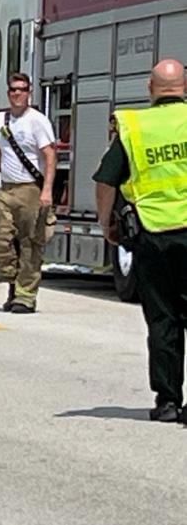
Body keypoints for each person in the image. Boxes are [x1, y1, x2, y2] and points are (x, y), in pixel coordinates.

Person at [93, 58, 187, 423]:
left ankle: (167, 402)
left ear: (150, 89)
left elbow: (105, 179)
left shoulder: (135, 126)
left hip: (154, 234)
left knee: (163, 319)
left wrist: (107, 224)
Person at [0, 72, 57, 313]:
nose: (17, 94)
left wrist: (47, 191)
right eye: (13, 89)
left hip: (31, 189)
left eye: (22, 89)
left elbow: (50, 155)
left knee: (30, 243)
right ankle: (11, 277)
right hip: (6, 189)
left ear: (29, 92)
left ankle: (24, 296)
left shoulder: (38, 121)